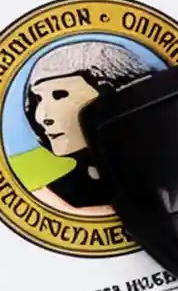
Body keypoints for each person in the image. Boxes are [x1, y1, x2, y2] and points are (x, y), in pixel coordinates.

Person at [23, 40, 156, 216]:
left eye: (60, 95)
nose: (43, 117)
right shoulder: (49, 198)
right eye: (39, 99)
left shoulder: (172, 176)